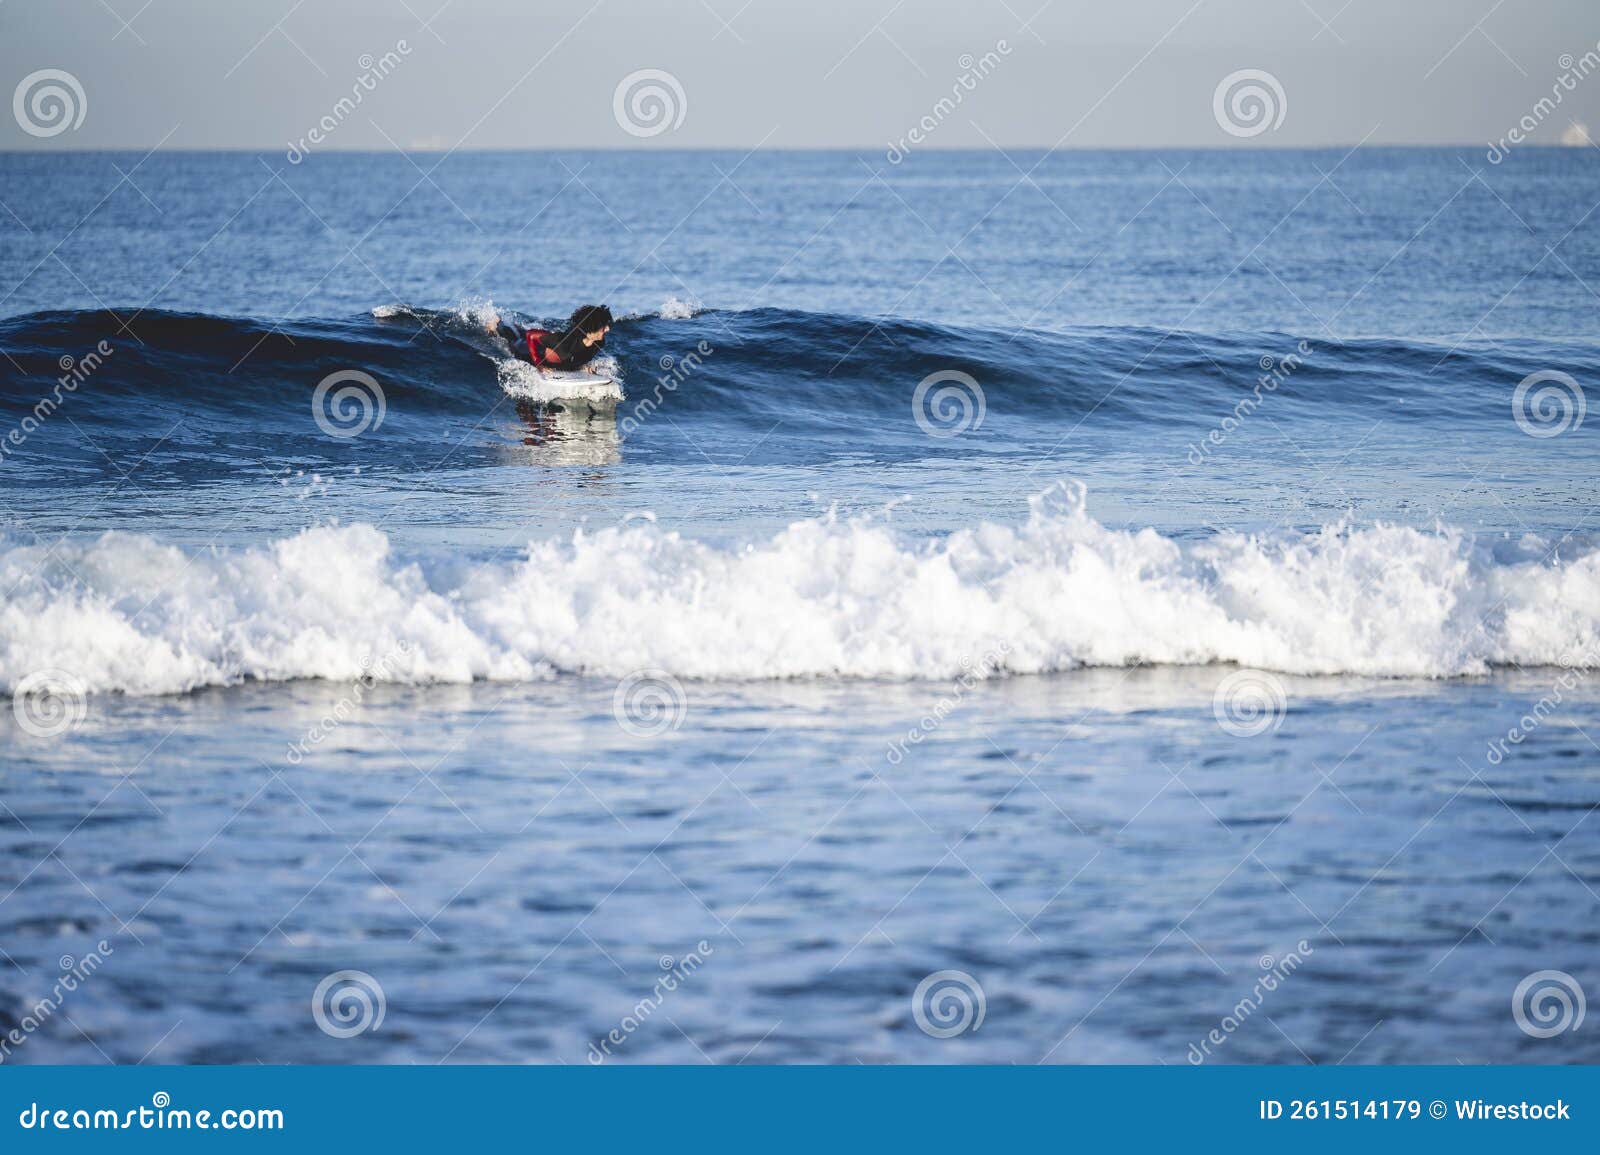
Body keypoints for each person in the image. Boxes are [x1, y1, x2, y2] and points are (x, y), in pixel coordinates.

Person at [495, 304, 613, 375]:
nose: (607, 329)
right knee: (513, 338)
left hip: (552, 352)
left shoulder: (599, 343)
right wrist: (538, 363)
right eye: (603, 326)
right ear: (590, 328)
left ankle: (514, 327)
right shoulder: (565, 343)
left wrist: (582, 366)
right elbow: (531, 335)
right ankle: (498, 324)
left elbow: (576, 358)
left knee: (521, 332)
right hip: (526, 351)